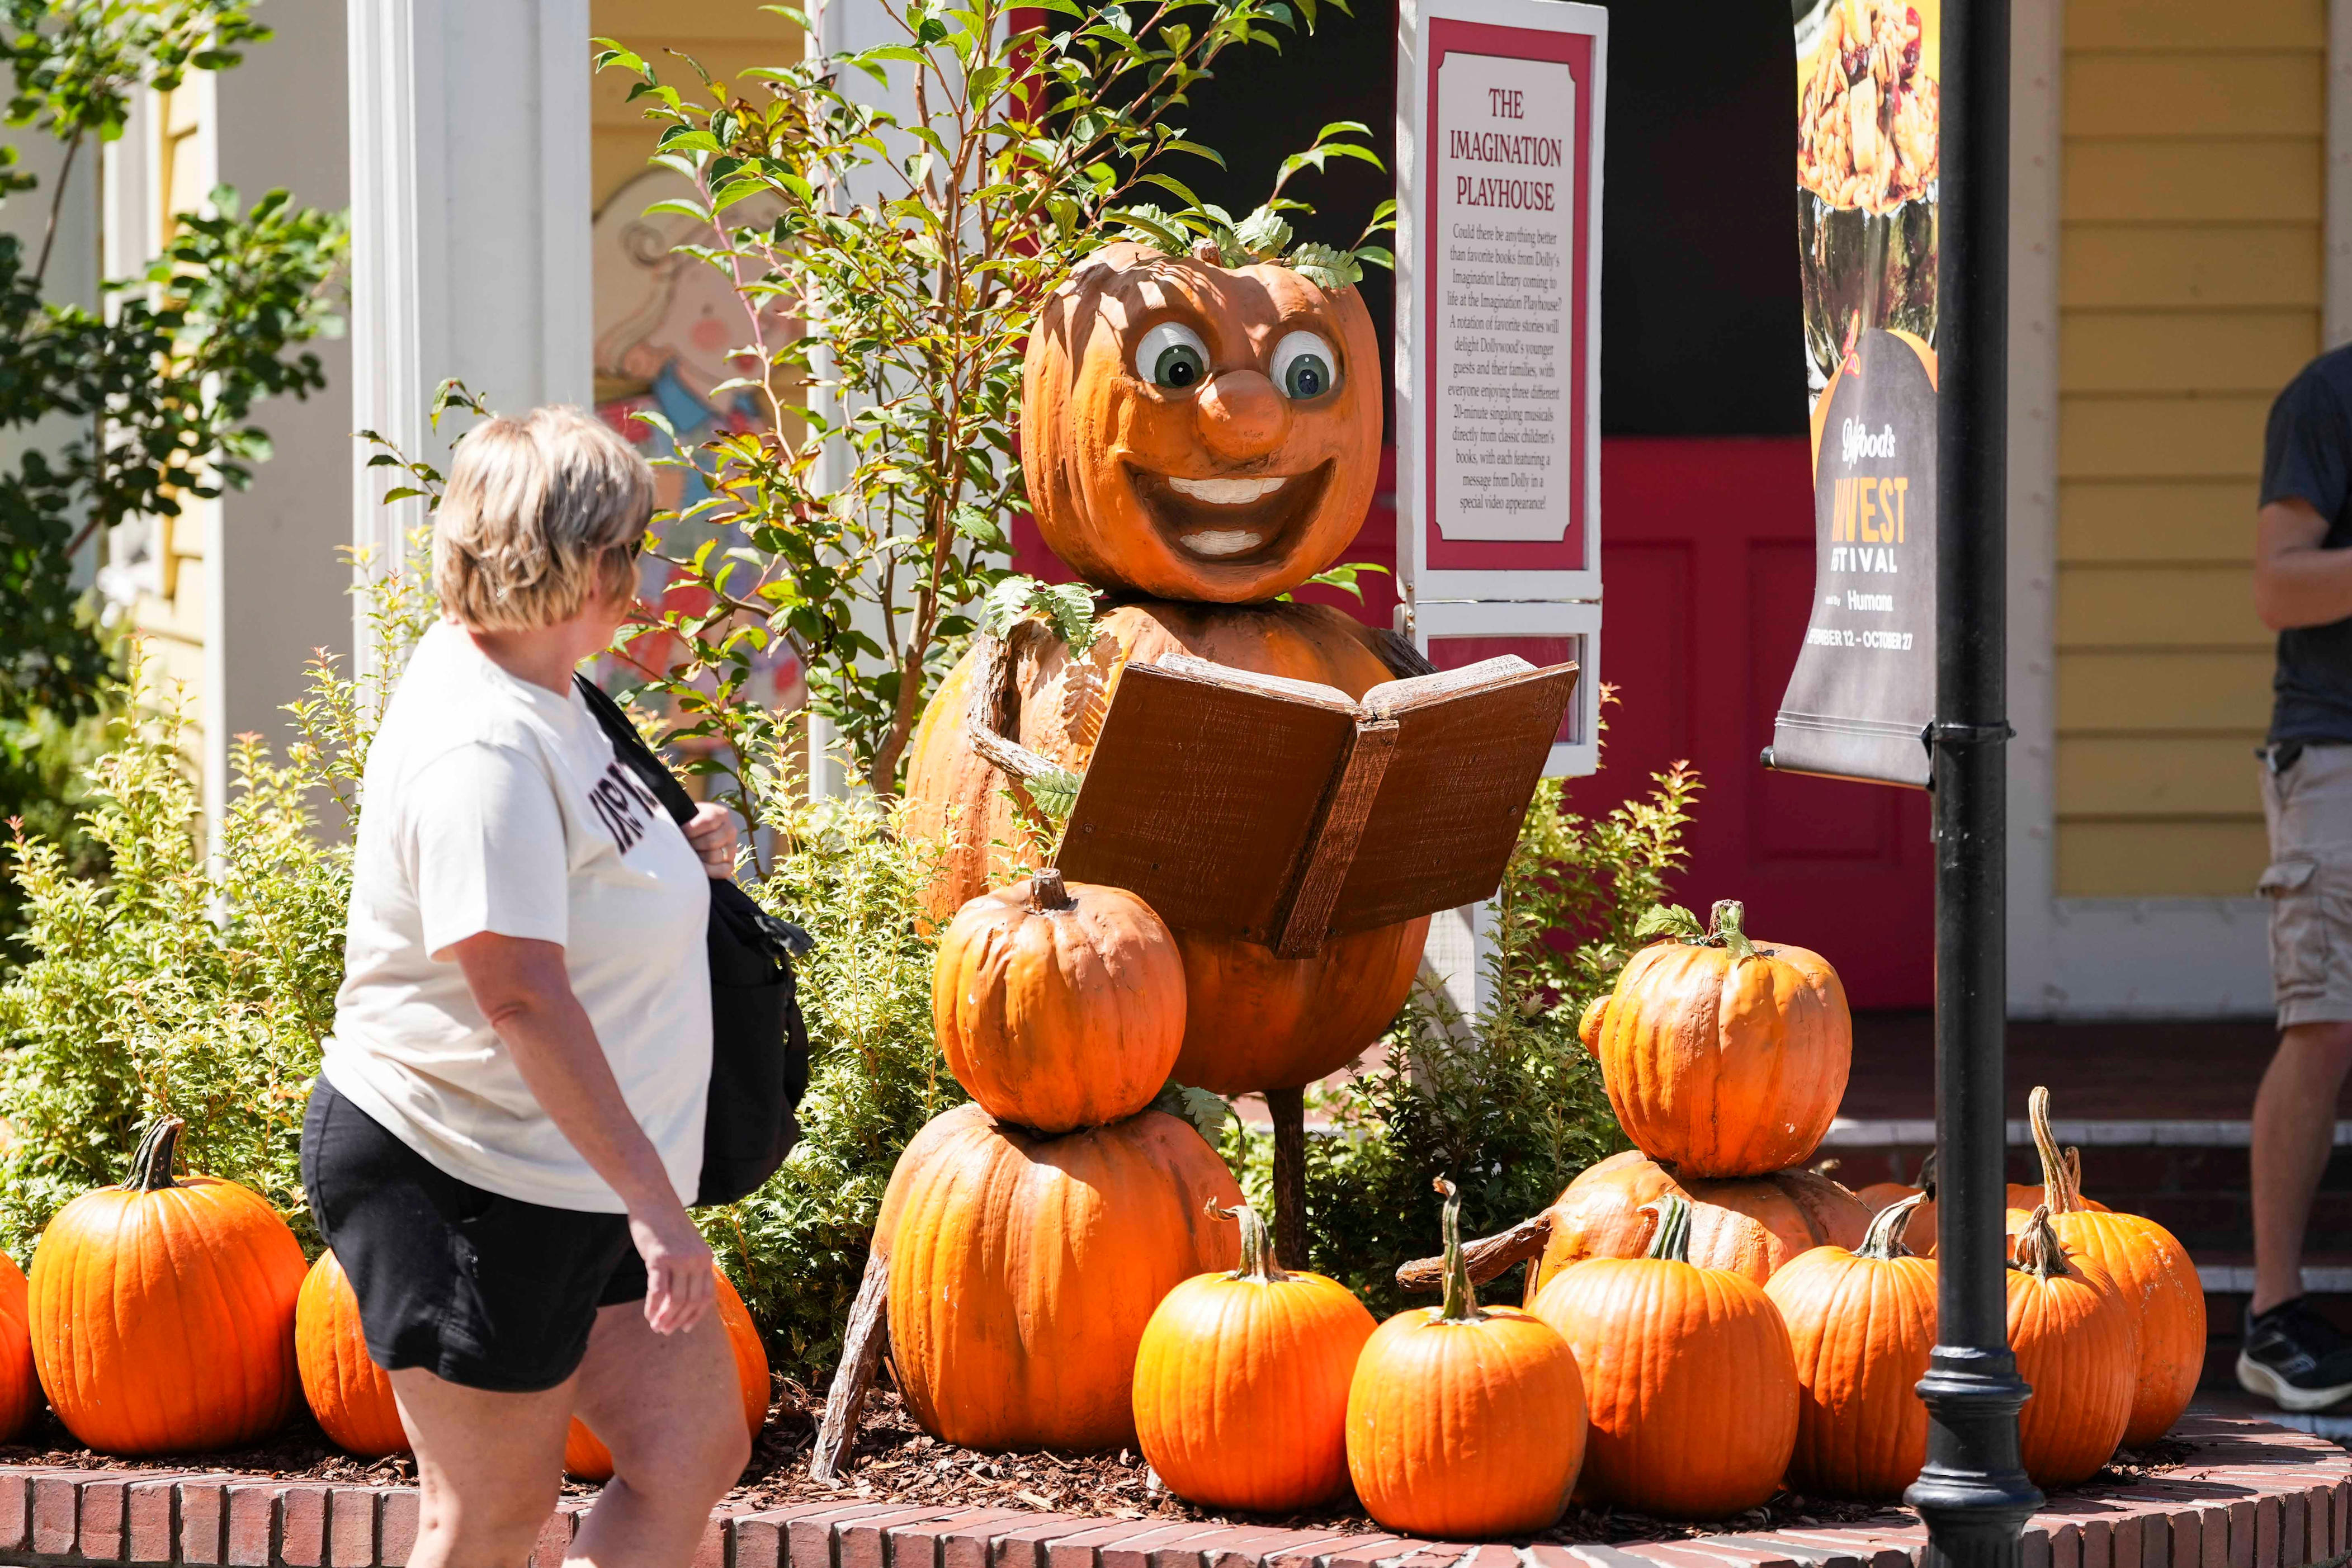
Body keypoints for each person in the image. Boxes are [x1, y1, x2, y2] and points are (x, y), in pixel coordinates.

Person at [301, 407, 749, 1567]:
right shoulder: (478, 743)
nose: (644, 579)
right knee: (489, 1523)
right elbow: (521, 997)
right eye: (633, 551)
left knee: (692, 1452)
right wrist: (655, 1206)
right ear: (589, 564)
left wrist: (673, 861)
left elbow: (573, 872)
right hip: (468, 1177)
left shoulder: (541, 684)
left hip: (576, 1168)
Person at [2245, 346, 2352, 1411]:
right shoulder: (2330, 398)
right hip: (2337, 756)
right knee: (2324, 1023)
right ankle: (2275, 1317)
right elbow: (2279, 583)